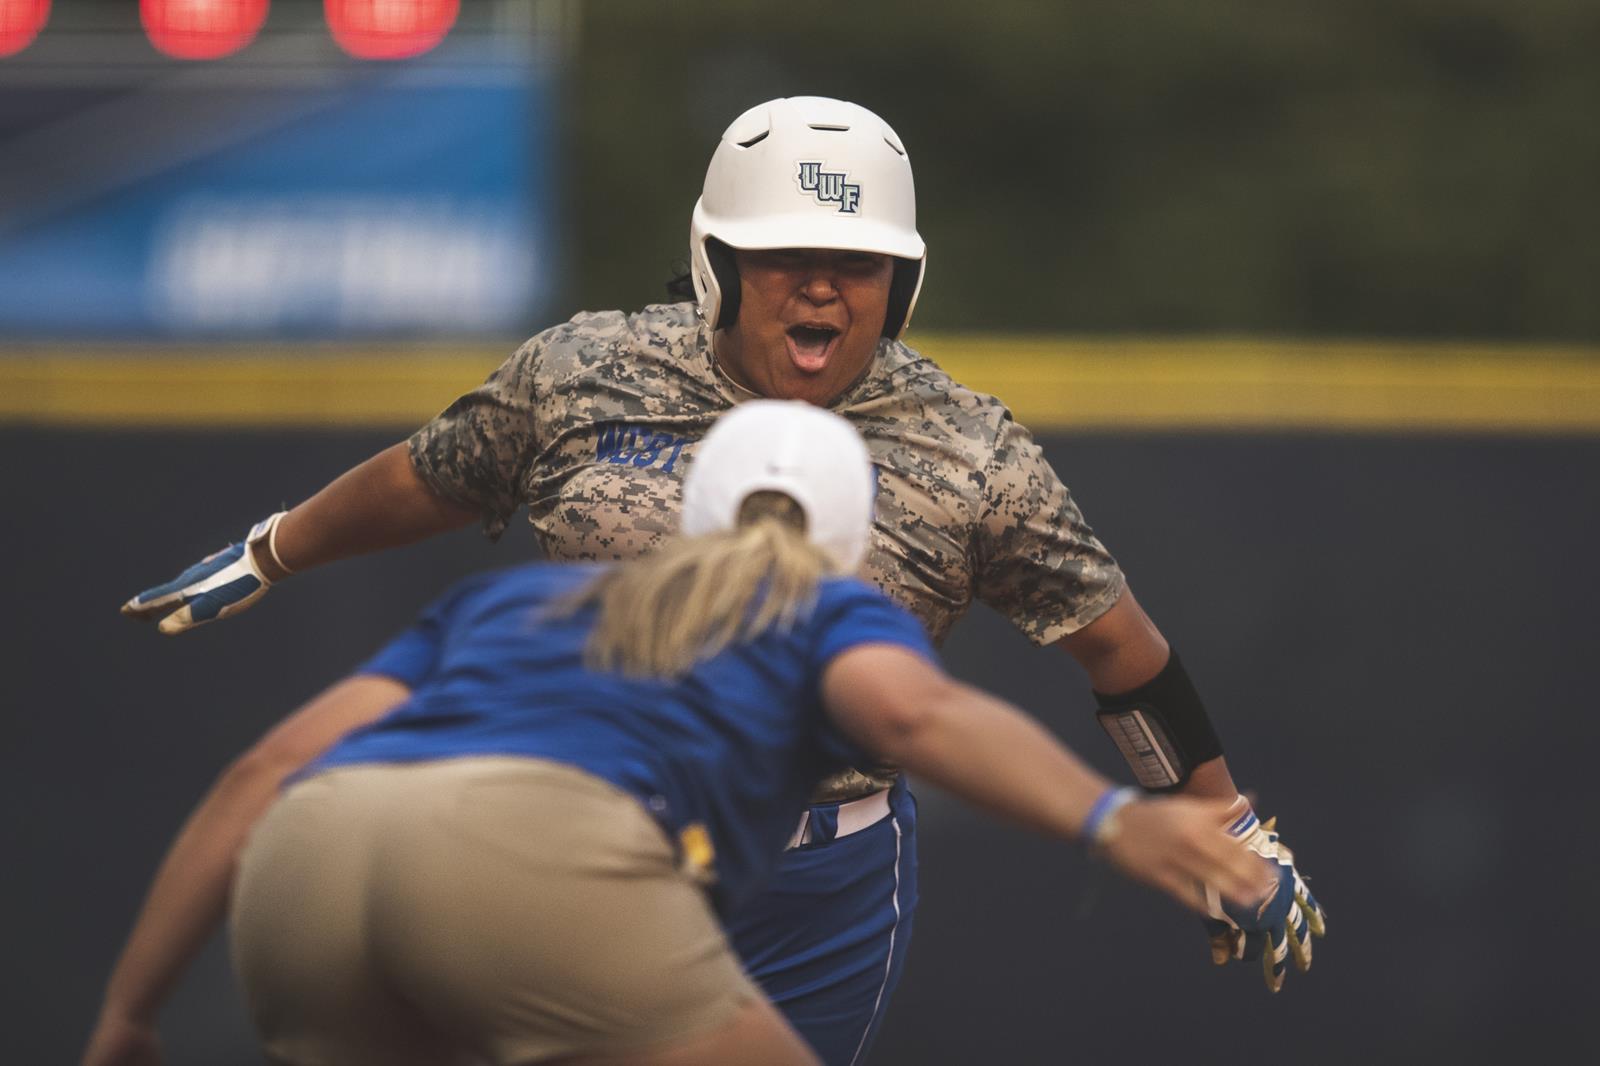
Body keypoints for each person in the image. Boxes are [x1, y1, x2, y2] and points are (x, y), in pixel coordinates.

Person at [118, 96, 1324, 1063]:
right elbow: (437, 473)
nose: (820, 285)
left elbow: (1118, 649)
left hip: (810, 873)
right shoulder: (590, 370)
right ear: (716, 264)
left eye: (855, 262)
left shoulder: (967, 451)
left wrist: (1222, 812)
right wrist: (280, 542)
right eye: (786, 255)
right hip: (578, 825)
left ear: (901, 284)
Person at [88, 403, 1272, 1066]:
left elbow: (268, 772)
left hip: (315, 858)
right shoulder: (821, 602)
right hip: (527, 856)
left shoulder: (522, 601)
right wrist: (1114, 818)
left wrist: (130, 1013)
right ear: (852, 530)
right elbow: (921, 714)